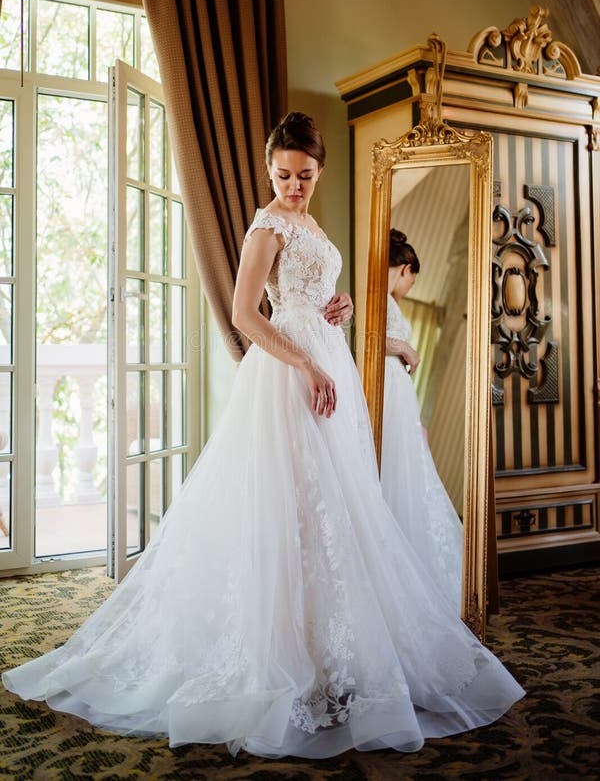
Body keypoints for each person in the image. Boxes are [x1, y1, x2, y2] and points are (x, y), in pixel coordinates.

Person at [2, 113, 524, 759]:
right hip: (287, 373)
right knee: (295, 504)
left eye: (304, 175)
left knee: (332, 510)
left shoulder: (306, 222)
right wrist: (305, 363)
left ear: (320, 169)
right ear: (268, 168)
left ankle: (332, 653)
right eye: (282, 175)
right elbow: (247, 313)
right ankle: (285, 653)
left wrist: (343, 308)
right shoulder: (265, 224)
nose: (293, 186)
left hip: (322, 356)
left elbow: (309, 292)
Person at [382, 230, 463, 611]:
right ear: (405, 269)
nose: (413, 285)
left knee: (409, 470)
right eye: (413, 276)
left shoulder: (391, 305)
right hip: (389, 395)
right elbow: (370, 338)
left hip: (399, 396)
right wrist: (407, 349)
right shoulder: (380, 301)